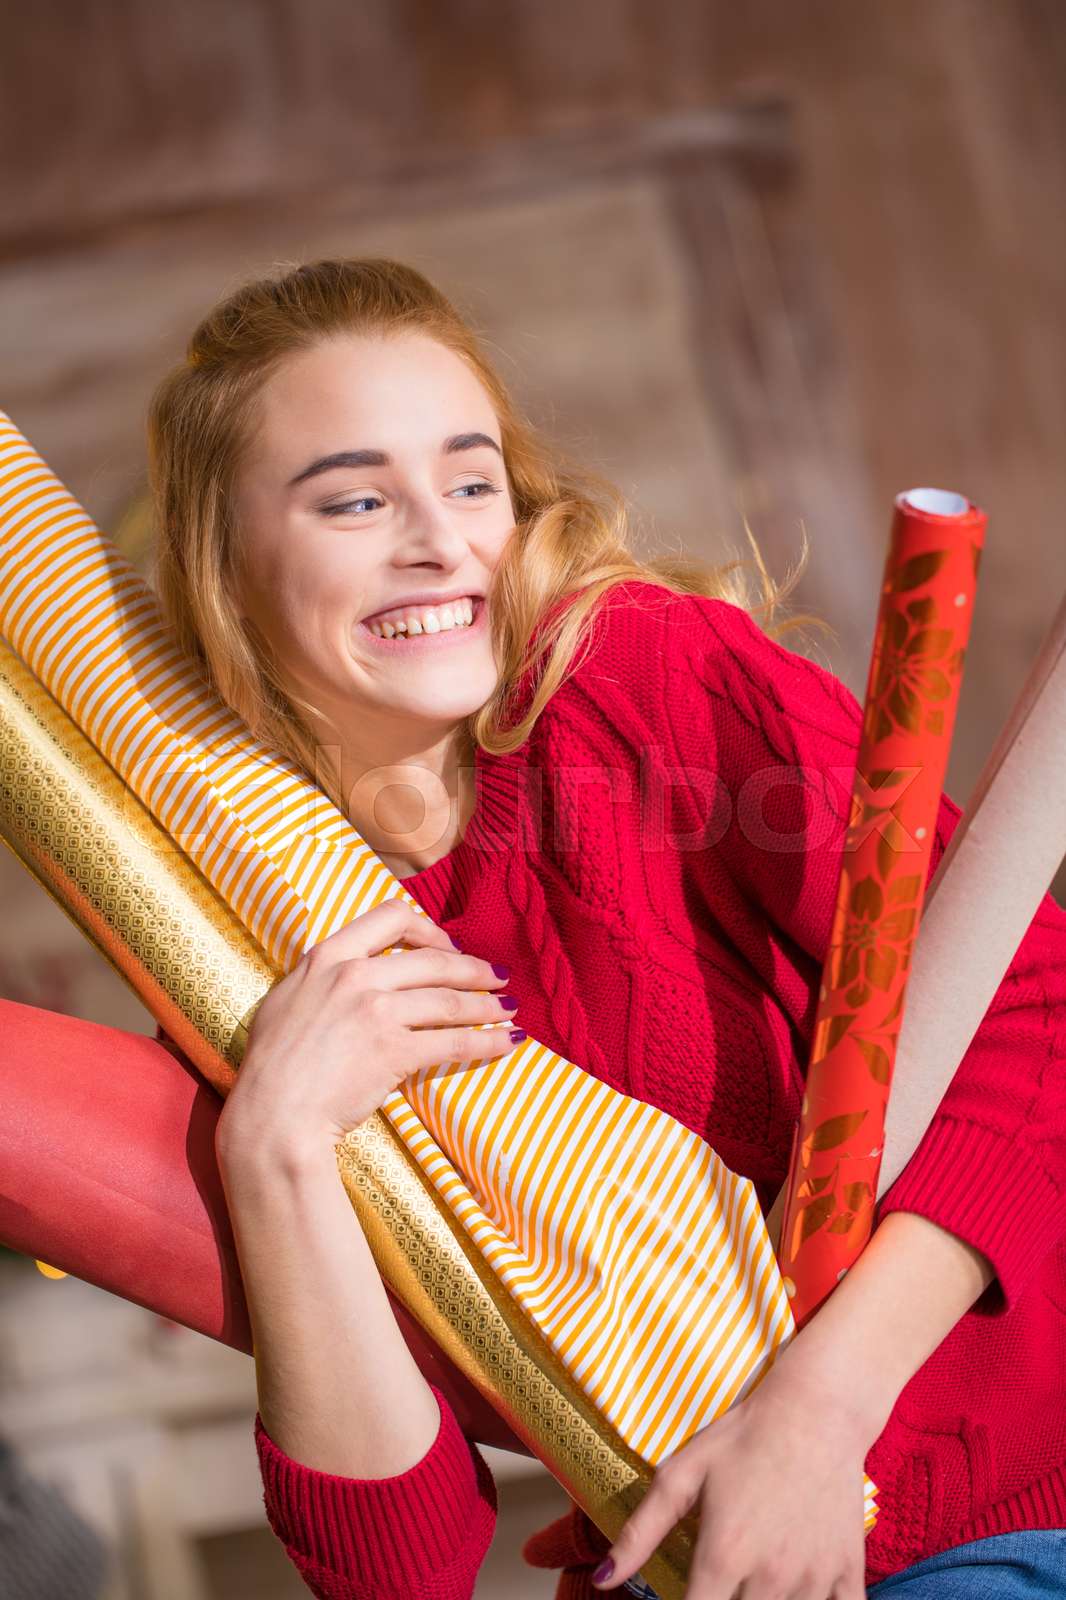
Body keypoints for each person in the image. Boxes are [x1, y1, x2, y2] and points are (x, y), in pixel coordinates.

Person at [144, 257, 1066, 1599]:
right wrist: (277, 1146)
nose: (440, 541)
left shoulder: (640, 678)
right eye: (355, 500)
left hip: (1005, 1512)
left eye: (470, 483)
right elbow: (402, 1575)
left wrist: (817, 1414)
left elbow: (1037, 1019)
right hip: (684, 1563)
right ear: (225, 567)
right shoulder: (245, 950)